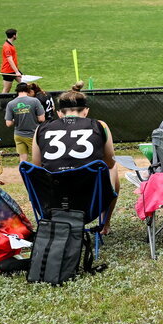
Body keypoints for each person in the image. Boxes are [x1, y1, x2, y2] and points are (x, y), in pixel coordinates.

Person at [32, 83, 120, 226]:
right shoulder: (100, 125)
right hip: (90, 202)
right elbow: (110, 162)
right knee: (113, 167)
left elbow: (36, 167)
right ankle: (105, 224)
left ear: (59, 113)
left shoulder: (41, 129)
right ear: (86, 111)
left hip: (52, 202)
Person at [4, 82, 46, 164]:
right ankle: (38, 175)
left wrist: (17, 118)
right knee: (38, 158)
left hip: (18, 135)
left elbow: (8, 123)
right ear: (28, 90)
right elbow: (41, 119)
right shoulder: (34, 101)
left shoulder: (11, 104)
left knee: (23, 160)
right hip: (32, 135)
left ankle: (24, 175)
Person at [0, 28, 21, 93]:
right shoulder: (7, 47)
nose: (17, 36)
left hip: (13, 70)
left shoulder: (10, 45)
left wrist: (16, 71)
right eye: (16, 34)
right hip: (8, 71)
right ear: (14, 36)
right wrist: (17, 72)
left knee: (25, 84)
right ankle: (2, 103)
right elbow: (10, 60)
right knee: (6, 89)